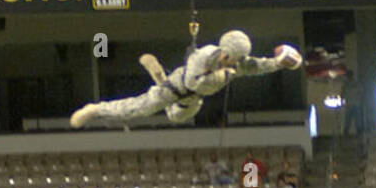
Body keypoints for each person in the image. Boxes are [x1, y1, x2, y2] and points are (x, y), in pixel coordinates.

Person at [70, 23, 302, 129]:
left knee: (175, 118)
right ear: (227, 53)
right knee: (138, 109)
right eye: (235, 58)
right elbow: (195, 83)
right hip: (177, 87)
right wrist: (223, 77)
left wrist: (280, 64)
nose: (237, 63)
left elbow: (256, 66)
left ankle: (158, 75)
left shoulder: (234, 63)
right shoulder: (205, 57)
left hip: (191, 100)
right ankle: (95, 110)